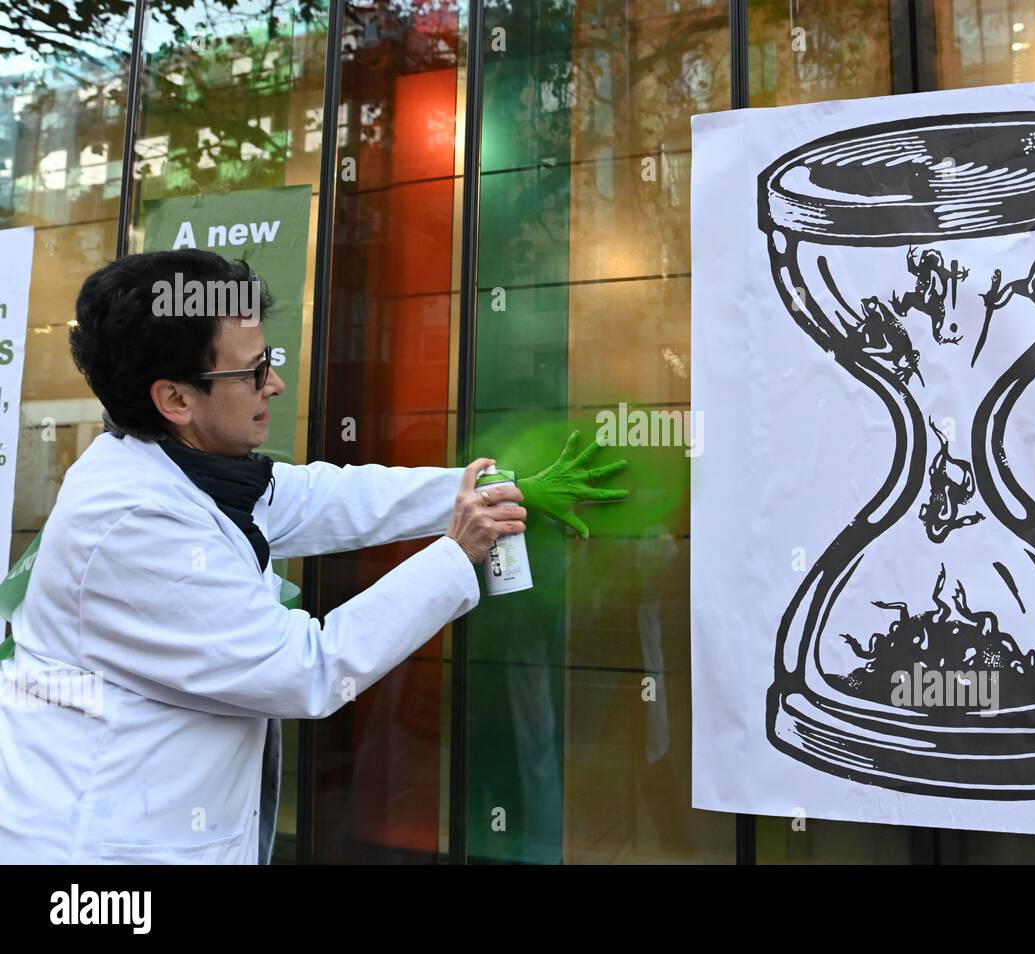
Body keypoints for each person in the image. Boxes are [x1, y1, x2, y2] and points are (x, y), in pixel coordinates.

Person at [0, 250, 625, 864]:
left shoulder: (183, 465)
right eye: (252, 371)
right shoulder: (136, 523)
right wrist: (457, 554)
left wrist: (494, 488)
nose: (273, 382)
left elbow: (327, 496)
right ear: (176, 401)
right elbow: (308, 669)